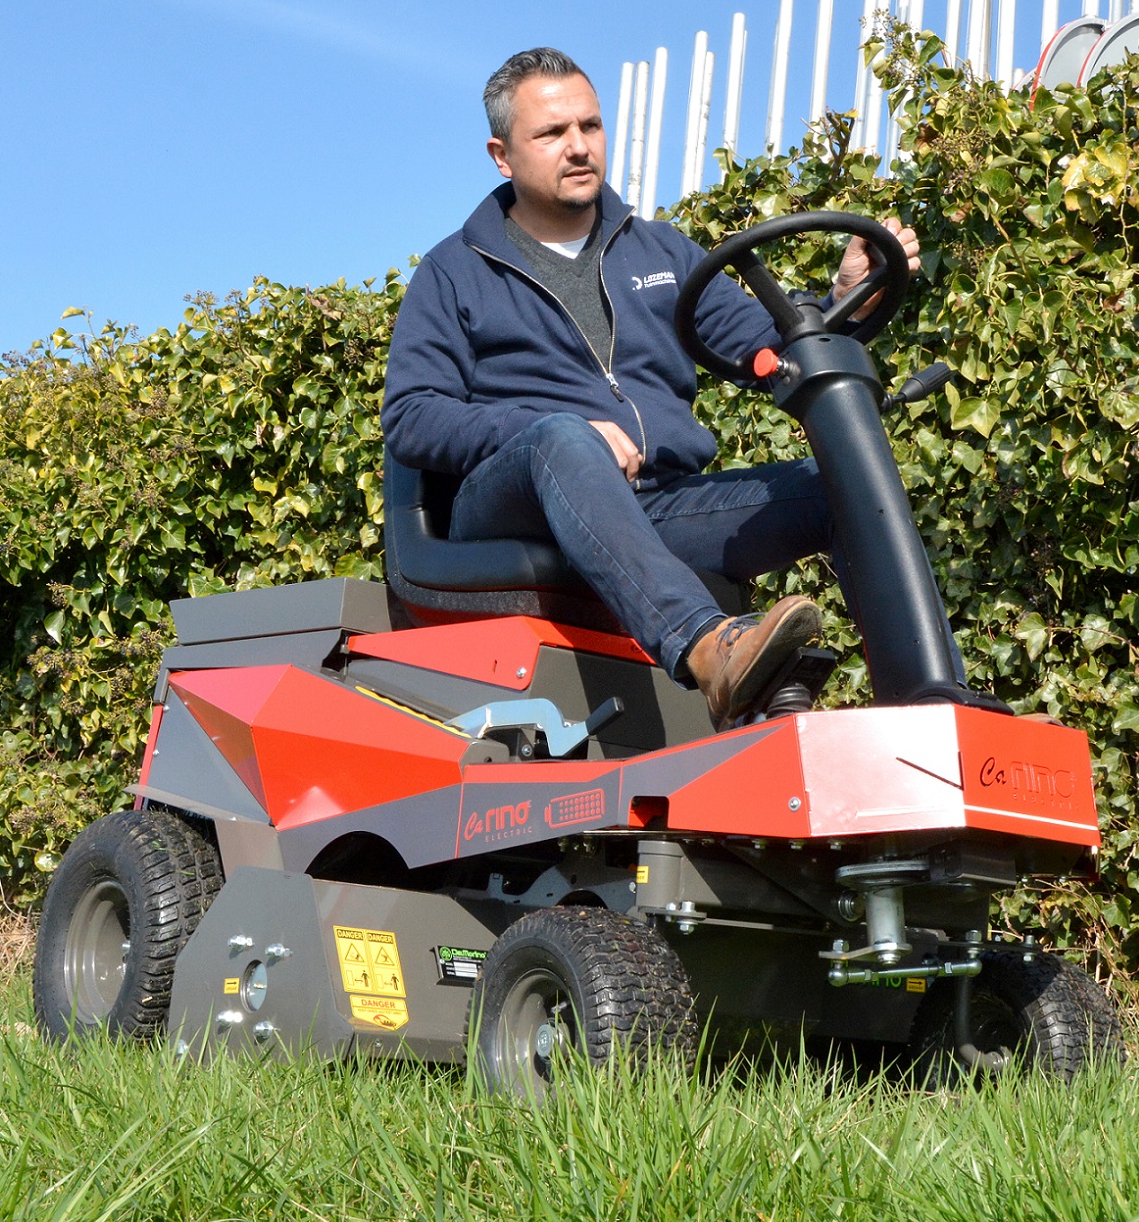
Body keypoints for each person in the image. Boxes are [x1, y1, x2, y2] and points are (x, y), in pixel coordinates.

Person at [382, 47, 919, 726]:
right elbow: (411, 416)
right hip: (515, 502)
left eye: (590, 126)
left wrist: (843, 298)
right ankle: (708, 650)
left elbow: (768, 345)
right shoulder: (454, 271)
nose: (578, 147)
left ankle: (920, 698)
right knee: (561, 435)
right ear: (502, 155)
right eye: (552, 134)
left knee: (841, 481)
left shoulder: (662, 252)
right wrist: (546, 431)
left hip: (654, 506)